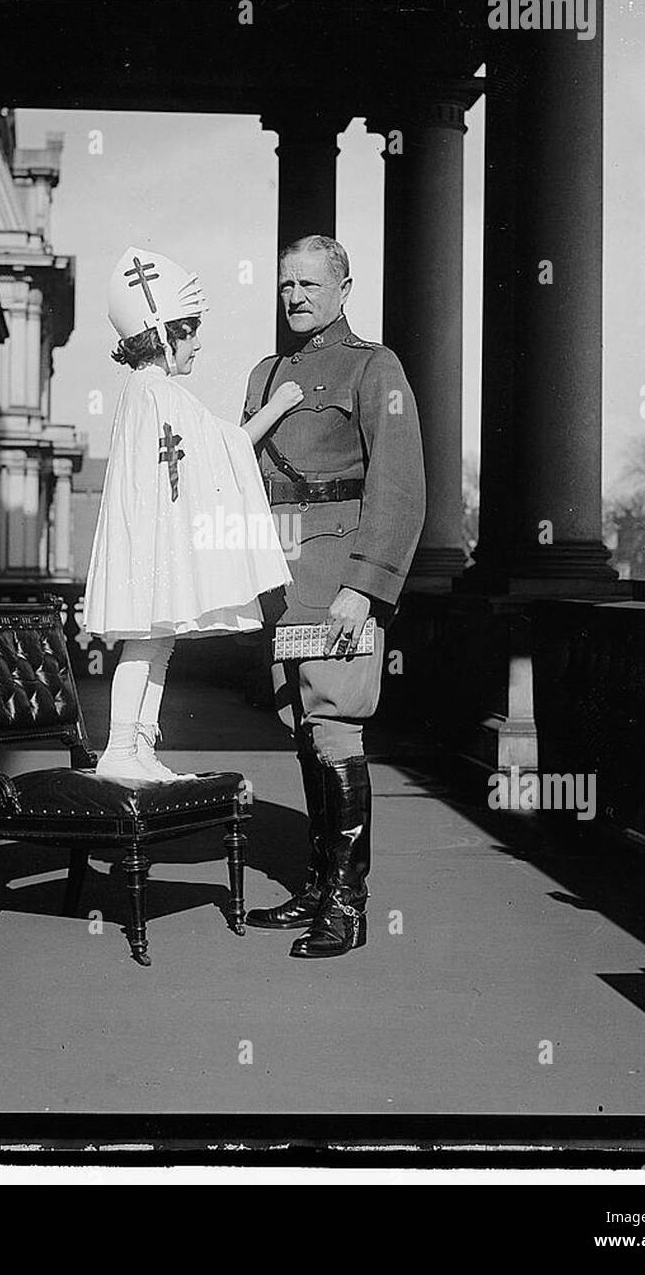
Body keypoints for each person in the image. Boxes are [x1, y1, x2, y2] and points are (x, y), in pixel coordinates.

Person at [241, 235, 426, 958]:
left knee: (337, 729)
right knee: (305, 731)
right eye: (286, 284)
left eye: (310, 285)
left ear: (344, 288)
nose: (295, 297)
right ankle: (317, 888)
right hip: (282, 583)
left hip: (338, 576)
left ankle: (347, 907)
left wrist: (366, 586)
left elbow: (400, 485)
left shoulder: (374, 367)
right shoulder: (263, 375)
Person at [83, 246, 301, 782]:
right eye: (189, 331)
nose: (198, 342)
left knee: (158, 642)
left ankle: (139, 747)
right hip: (151, 549)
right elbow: (227, 447)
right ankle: (118, 750)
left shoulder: (147, 391)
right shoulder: (157, 392)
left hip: (150, 544)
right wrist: (277, 407)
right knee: (146, 644)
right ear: (163, 335)